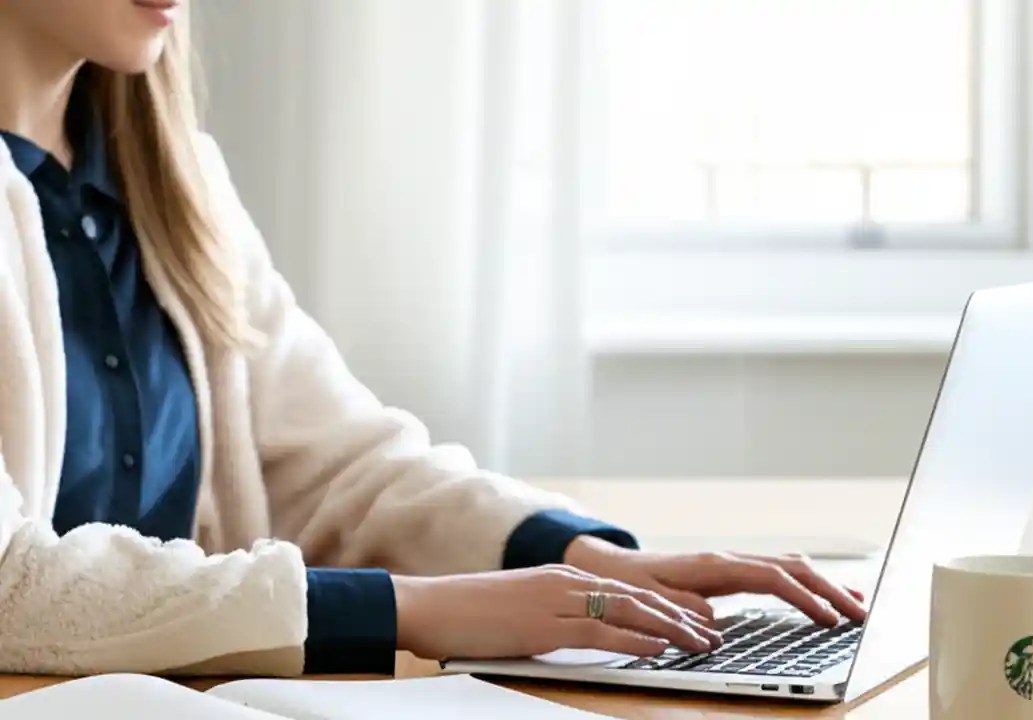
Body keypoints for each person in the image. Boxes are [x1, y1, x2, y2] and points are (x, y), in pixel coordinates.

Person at [0, 0, 865, 677]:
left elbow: (339, 466)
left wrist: (579, 558)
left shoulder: (179, 181)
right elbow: (10, 586)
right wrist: (417, 608)